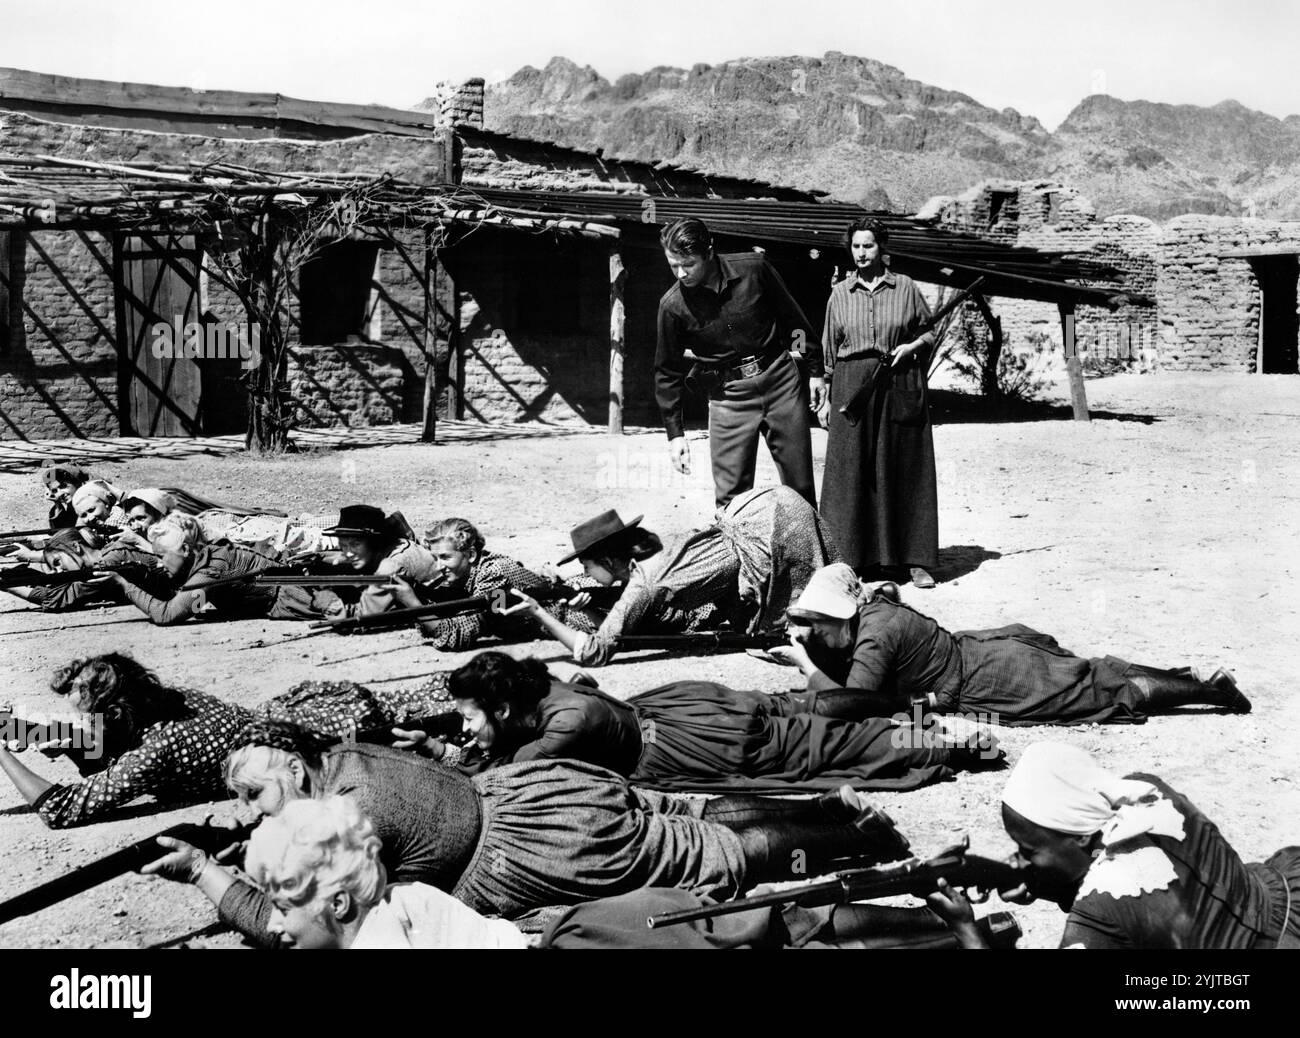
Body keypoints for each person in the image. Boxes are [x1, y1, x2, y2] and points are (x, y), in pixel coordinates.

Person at [143, 720, 912, 944]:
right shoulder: (344, 754)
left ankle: (860, 840)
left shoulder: (348, 816)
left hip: (523, 853)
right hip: (526, 796)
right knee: (683, 821)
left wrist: (216, 879)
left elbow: (293, 920)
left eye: (255, 794)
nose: (254, 810)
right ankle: (841, 817)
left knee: (709, 853)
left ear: (287, 767)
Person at [191, 794, 1015, 951]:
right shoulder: (396, 897)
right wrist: (204, 876)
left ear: (334, 899)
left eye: (283, 915)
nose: (276, 930)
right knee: (772, 925)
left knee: (770, 931)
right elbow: (282, 928)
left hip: (590, 943)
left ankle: (959, 934)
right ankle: (951, 927)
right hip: (588, 928)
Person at [420, 651, 1002, 794]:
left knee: (818, 750)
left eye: (473, 719)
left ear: (501, 710)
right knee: (798, 708)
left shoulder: (564, 726)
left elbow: (496, 776)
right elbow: (588, 682)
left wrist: (445, 753)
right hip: (682, 707)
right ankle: (915, 706)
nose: (467, 729)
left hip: (691, 743)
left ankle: (945, 746)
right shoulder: (540, 684)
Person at [0, 652, 453, 828]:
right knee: (413, 704)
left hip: (308, 741)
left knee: (419, 722)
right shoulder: (173, 698)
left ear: (117, 713)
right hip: (295, 717)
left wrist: (5, 753)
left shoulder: (152, 753)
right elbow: (107, 743)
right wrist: (46, 736)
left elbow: (62, 809)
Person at [773, 563, 1251, 725]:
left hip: (988, 678)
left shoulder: (877, 634)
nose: (816, 636)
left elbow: (848, 704)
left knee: (1101, 693)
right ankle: (1189, 678)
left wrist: (804, 662)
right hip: (989, 650)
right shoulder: (875, 609)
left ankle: (1209, 692)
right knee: (1092, 670)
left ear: (842, 615)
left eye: (818, 626)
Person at [927, 742, 1300, 949]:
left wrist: (966, 930)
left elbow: (1110, 900)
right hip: (1282, 898)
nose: (1019, 859)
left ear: (1079, 837)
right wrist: (1048, 883)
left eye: (1028, 848)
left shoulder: (1096, 917)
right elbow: (1132, 882)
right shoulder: (1142, 791)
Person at [511, 485, 838, 666]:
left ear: (609, 560)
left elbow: (595, 652)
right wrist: (587, 609)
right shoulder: (649, 550)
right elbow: (632, 629)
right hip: (762, 507)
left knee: (820, 619)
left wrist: (538, 613)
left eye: (587, 566)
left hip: (772, 530)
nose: (585, 574)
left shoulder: (645, 581)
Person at [655, 217, 823, 508]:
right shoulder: (672, 306)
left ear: (708, 252)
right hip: (727, 396)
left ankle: (808, 554)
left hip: (780, 382)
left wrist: (814, 370)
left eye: (688, 264)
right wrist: (675, 435)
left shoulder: (754, 269)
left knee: (800, 487)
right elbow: (667, 371)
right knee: (731, 499)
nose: (680, 273)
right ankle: (738, 554)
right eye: (673, 265)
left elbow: (791, 320)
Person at [820, 217, 939, 588]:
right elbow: (828, 349)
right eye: (855, 246)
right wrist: (826, 394)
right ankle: (851, 559)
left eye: (868, 246)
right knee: (850, 471)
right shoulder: (840, 293)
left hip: (899, 379)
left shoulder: (905, 288)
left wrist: (912, 346)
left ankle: (914, 561)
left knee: (903, 465)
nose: (861, 253)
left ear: (881, 248)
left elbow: (928, 331)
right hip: (852, 384)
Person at [388, 518, 601, 650]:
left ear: (470, 554)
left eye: (445, 557)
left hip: (578, 618)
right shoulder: (474, 571)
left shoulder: (493, 576)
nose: (438, 566)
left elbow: (459, 634)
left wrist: (413, 604)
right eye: (435, 559)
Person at [104, 511, 345, 624]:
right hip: (288, 589)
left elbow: (166, 615)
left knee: (355, 605)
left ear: (186, 551)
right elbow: (182, 596)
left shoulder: (211, 570)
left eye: (162, 556)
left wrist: (122, 584)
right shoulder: (208, 555)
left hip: (295, 596)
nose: (158, 563)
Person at [0, 526, 169, 612]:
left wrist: (7, 585)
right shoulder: (110, 553)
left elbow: (55, 599)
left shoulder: (106, 566)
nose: (58, 571)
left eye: (58, 562)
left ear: (76, 546)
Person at [322, 504, 438, 619]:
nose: (348, 553)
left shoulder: (391, 565)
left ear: (374, 541)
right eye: (343, 546)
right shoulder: (394, 544)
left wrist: (322, 598)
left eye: (355, 544)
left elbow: (358, 618)